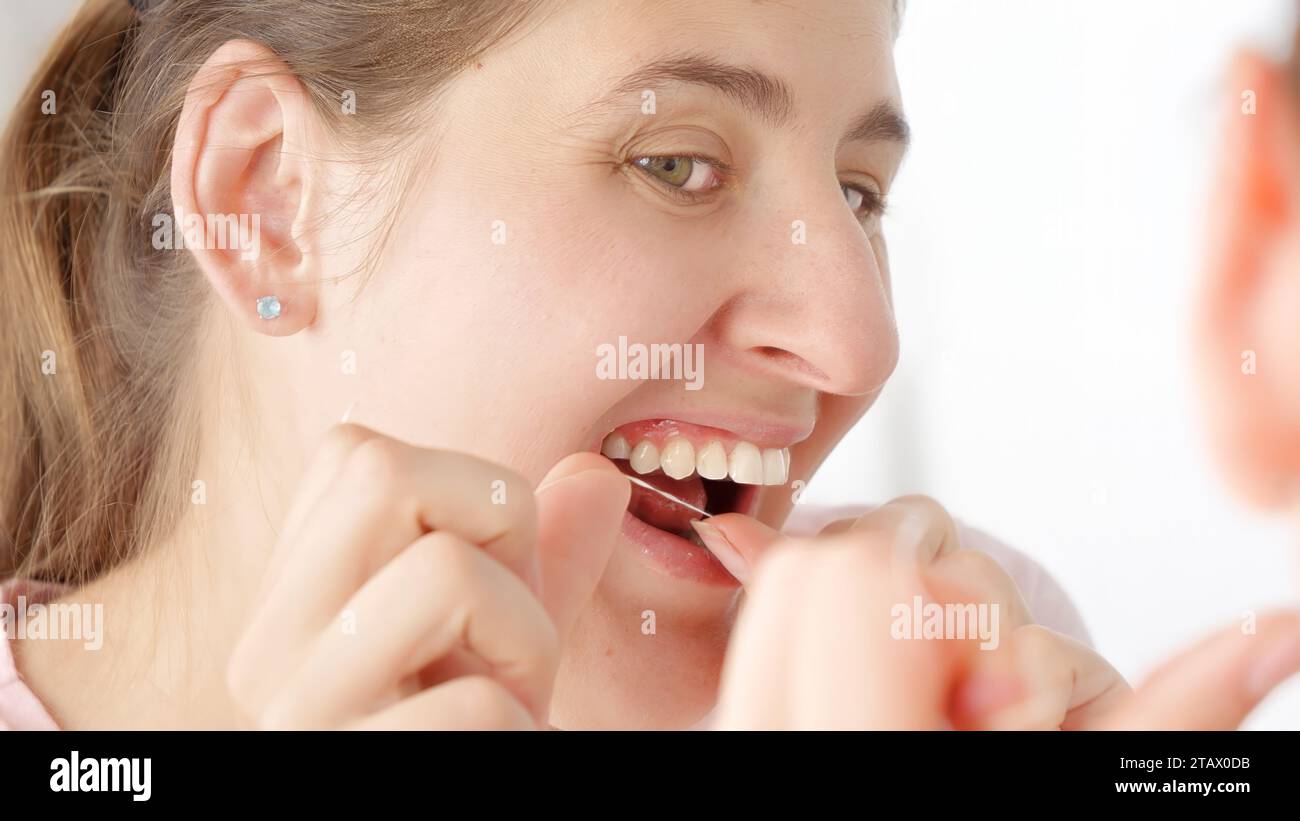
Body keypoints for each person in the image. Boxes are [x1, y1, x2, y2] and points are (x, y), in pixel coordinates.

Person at [0, 0, 1294, 731]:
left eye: (860, 192)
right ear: (266, 198)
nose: (856, 340)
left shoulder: (969, 658)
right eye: (676, 162)